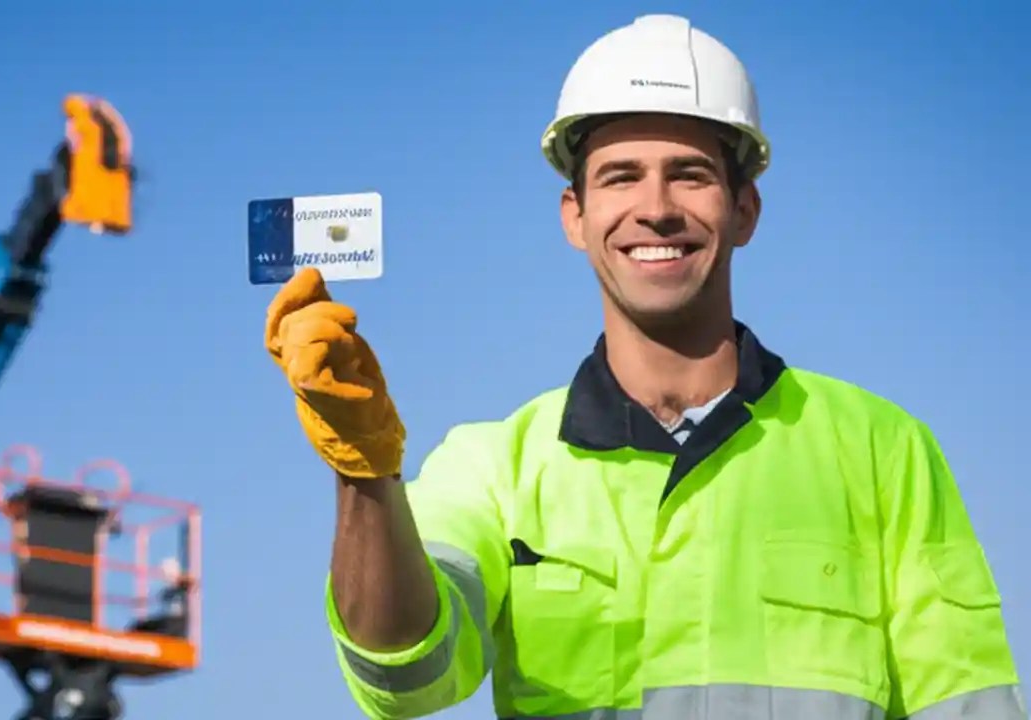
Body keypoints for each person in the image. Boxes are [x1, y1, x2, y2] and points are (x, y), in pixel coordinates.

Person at [263, 13, 1024, 720]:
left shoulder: (883, 452)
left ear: (745, 210)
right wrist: (363, 471)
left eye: (689, 174)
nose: (655, 207)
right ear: (575, 216)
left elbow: (969, 704)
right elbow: (404, 676)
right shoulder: (496, 469)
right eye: (620, 176)